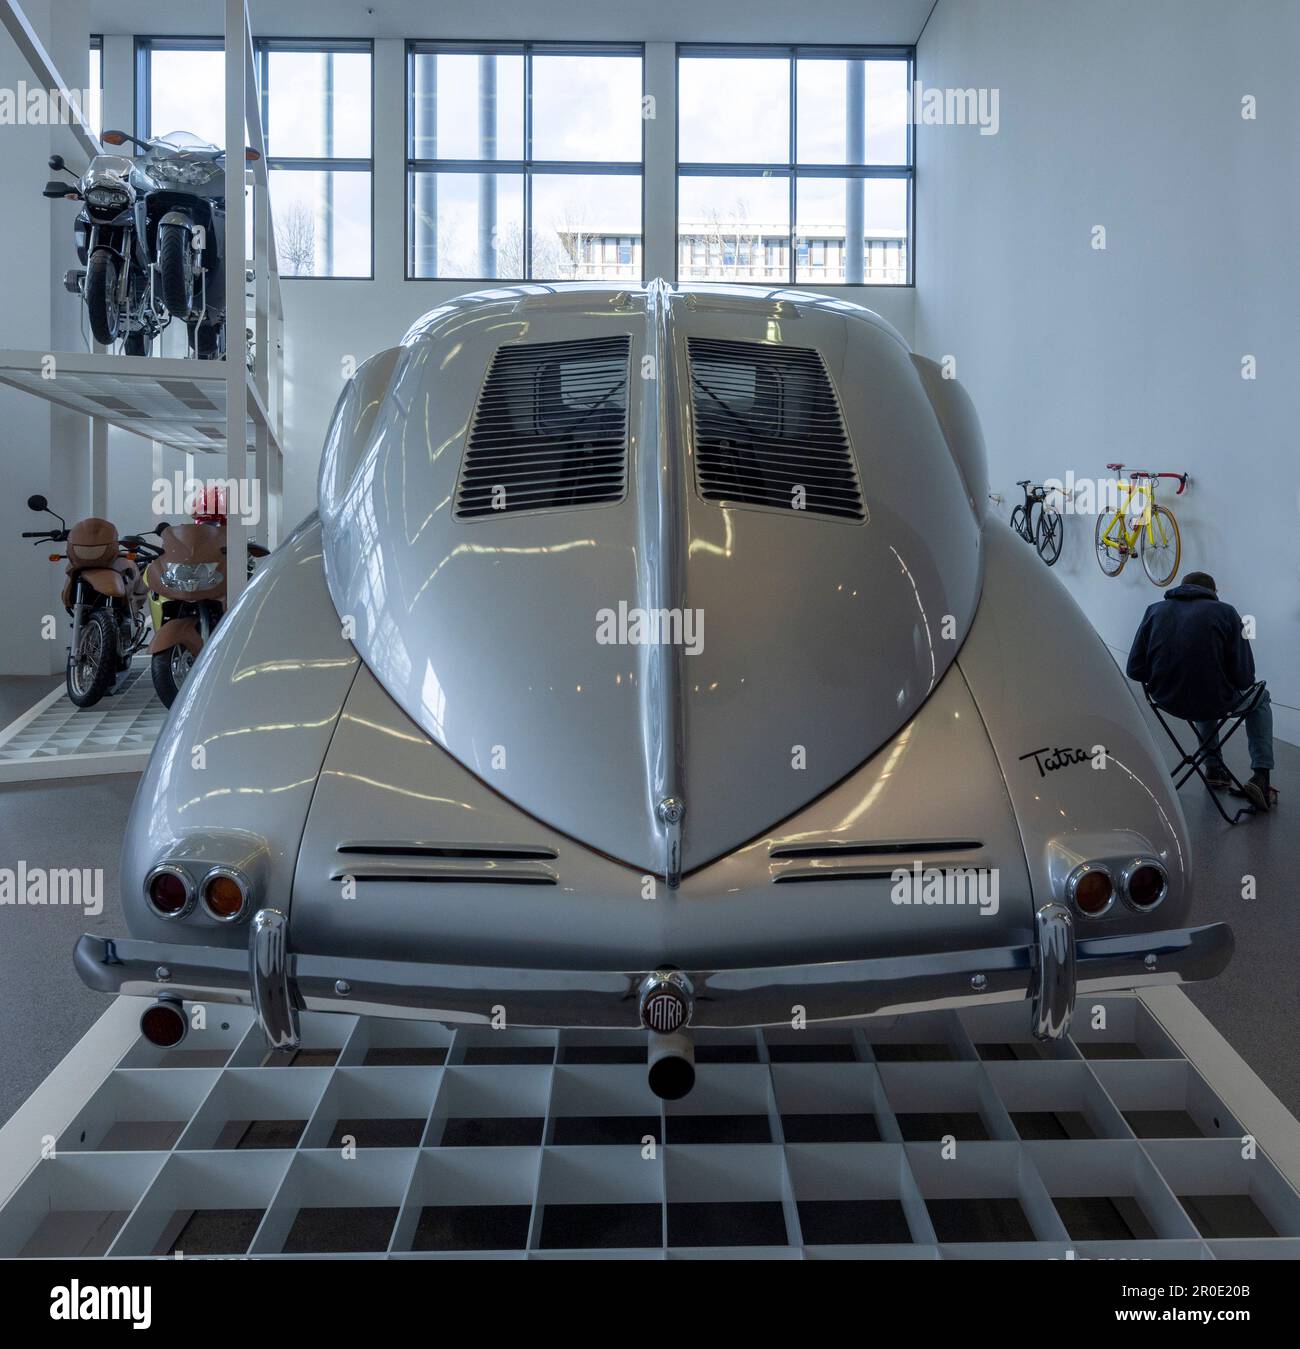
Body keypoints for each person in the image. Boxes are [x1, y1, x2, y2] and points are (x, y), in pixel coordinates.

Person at [1126, 571, 1274, 812]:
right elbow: (1245, 677)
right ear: (1213, 592)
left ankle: (1214, 768)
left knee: (1205, 692)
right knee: (1261, 697)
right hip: (1213, 701)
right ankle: (1261, 777)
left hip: (1166, 701)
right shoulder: (1226, 612)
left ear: (1181, 588)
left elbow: (1134, 669)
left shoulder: (1154, 610)